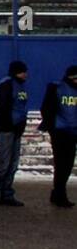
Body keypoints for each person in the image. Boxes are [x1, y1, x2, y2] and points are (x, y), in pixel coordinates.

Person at [0, 60, 29, 207]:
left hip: (15, 128)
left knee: (13, 163)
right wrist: (12, 124)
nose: (26, 74)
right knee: (5, 163)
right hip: (6, 128)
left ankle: (6, 193)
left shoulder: (20, 85)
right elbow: (4, 107)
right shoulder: (7, 84)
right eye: (23, 71)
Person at [39, 64, 77, 208]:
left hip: (72, 131)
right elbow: (46, 108)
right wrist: (52, 127)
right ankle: (60, 194)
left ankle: (58, 192)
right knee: (62, 164)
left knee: (67, 164)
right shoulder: (57, 88)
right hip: (60, 131)